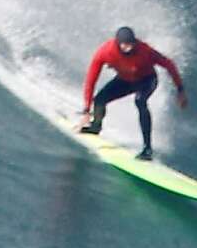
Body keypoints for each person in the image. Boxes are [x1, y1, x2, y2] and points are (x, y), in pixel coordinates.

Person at [80, 26, 187, 161]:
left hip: (147, 80)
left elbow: (169, 64)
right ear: (118, 43)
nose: (128, 48)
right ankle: (95, 126)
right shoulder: (105, 52)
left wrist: (180, 90)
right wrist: (86, 110)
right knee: (100, 99)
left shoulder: (145, 50)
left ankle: (147, 149)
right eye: (124, 45)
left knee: (140, 101)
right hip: (125, 81)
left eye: (131, 44)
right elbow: (90, 80)